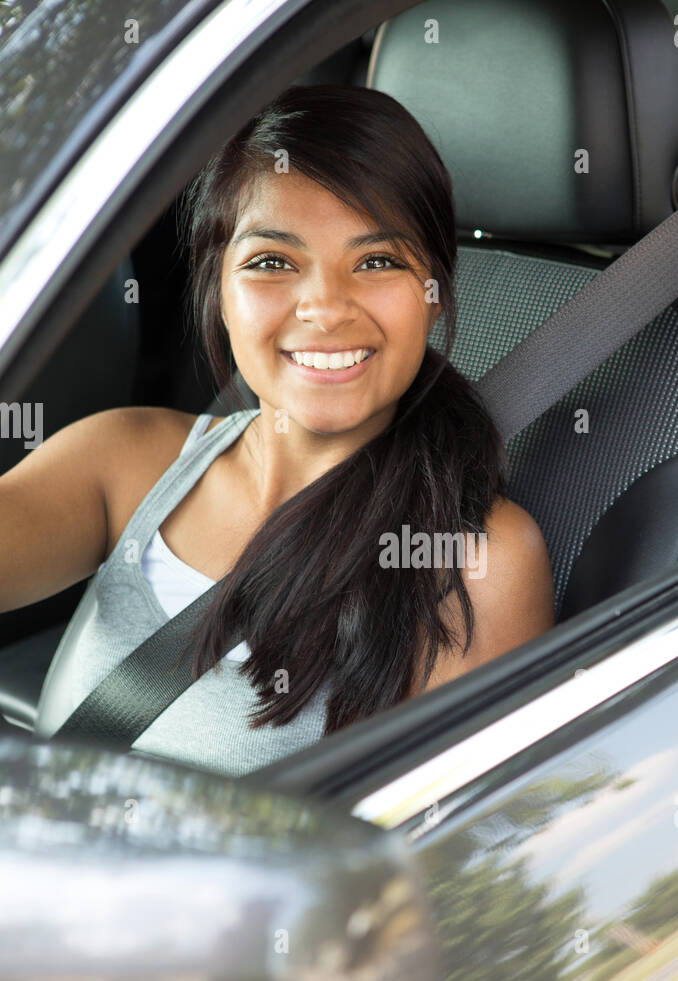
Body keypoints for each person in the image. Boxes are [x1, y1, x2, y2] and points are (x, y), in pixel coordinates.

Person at [8, 84, 555, 777]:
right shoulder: (125, 457)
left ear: (433, 291)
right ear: (219, 290)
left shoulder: (473, 562)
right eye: (273, 262)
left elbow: (449, 856)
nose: (325, 307)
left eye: (378, 260)